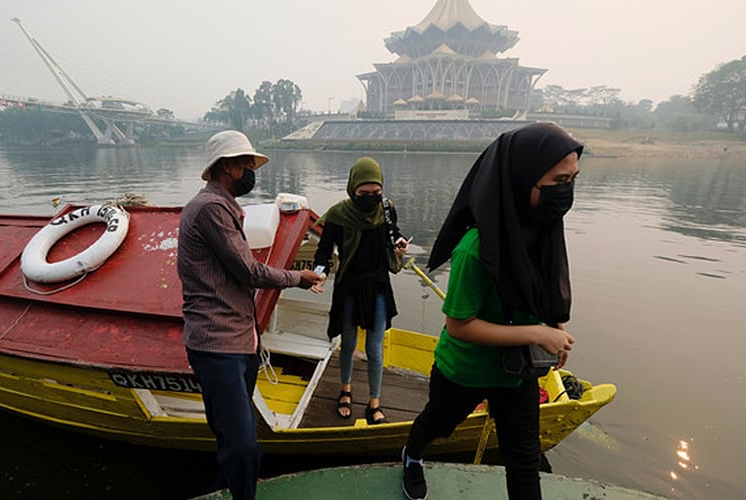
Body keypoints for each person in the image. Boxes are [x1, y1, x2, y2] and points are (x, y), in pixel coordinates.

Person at [401, 122, 582, 500]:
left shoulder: (545, 230)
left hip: (517, 372)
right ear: (522, 178)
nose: (567, 191)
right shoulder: (475, 248)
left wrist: (554, 328)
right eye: (559, 179)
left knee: (524, 460)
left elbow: (542, 291)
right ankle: (412, 454)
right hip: (465, 370)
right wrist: (537, 334)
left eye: (573, 178)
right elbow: (459, 325)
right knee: (440, 422)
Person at [177, 130, 321, 500]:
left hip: (241, 339)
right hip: (218, 343)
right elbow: (249, 272)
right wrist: (298, 278)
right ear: (227, 167)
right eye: (245, 164)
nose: (249, 171)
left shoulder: (223, 206)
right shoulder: (209, 208)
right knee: (244, 446)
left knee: (231, 437)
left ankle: (224, 488)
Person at [311, 157, 409, 425]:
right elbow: (323, 252)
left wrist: (399, 243)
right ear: (352, 188)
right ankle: (345, 389)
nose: (370, 198)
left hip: (377, 286)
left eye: (376, 193)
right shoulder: (338, 215)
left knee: (375, 349)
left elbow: (393, 235)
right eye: (364, 194)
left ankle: (374, 401)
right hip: (349, 287)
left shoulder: (387, 210)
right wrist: (318, 275)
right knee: (349, 344)